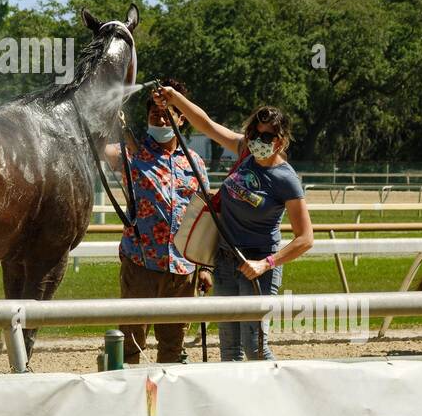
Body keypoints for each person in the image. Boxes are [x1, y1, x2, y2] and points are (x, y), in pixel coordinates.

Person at [151, 88, 314, 361]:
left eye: (265, 136)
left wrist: (267, 264)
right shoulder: (243, 152)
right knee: (229, 348)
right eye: (253, 134)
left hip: (258, 268)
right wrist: (174, 98)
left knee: (255, 347)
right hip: (225, 261)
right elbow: (206, 124)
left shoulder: (286, 179)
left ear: (280, 140)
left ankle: (277, 398)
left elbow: (305, 238)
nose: (256, 141)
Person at [103, 77, 210, 364]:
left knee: (173, 347)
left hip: (182, 271)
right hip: (140, 265)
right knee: (129, 346)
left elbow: (204, 215)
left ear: (182, 119)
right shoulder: (132, 155)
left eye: (166, 114)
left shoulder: (195, 163)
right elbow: (97, 146)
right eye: (154, 115)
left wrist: (206, 267)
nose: (160, 120)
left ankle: (168, 404)